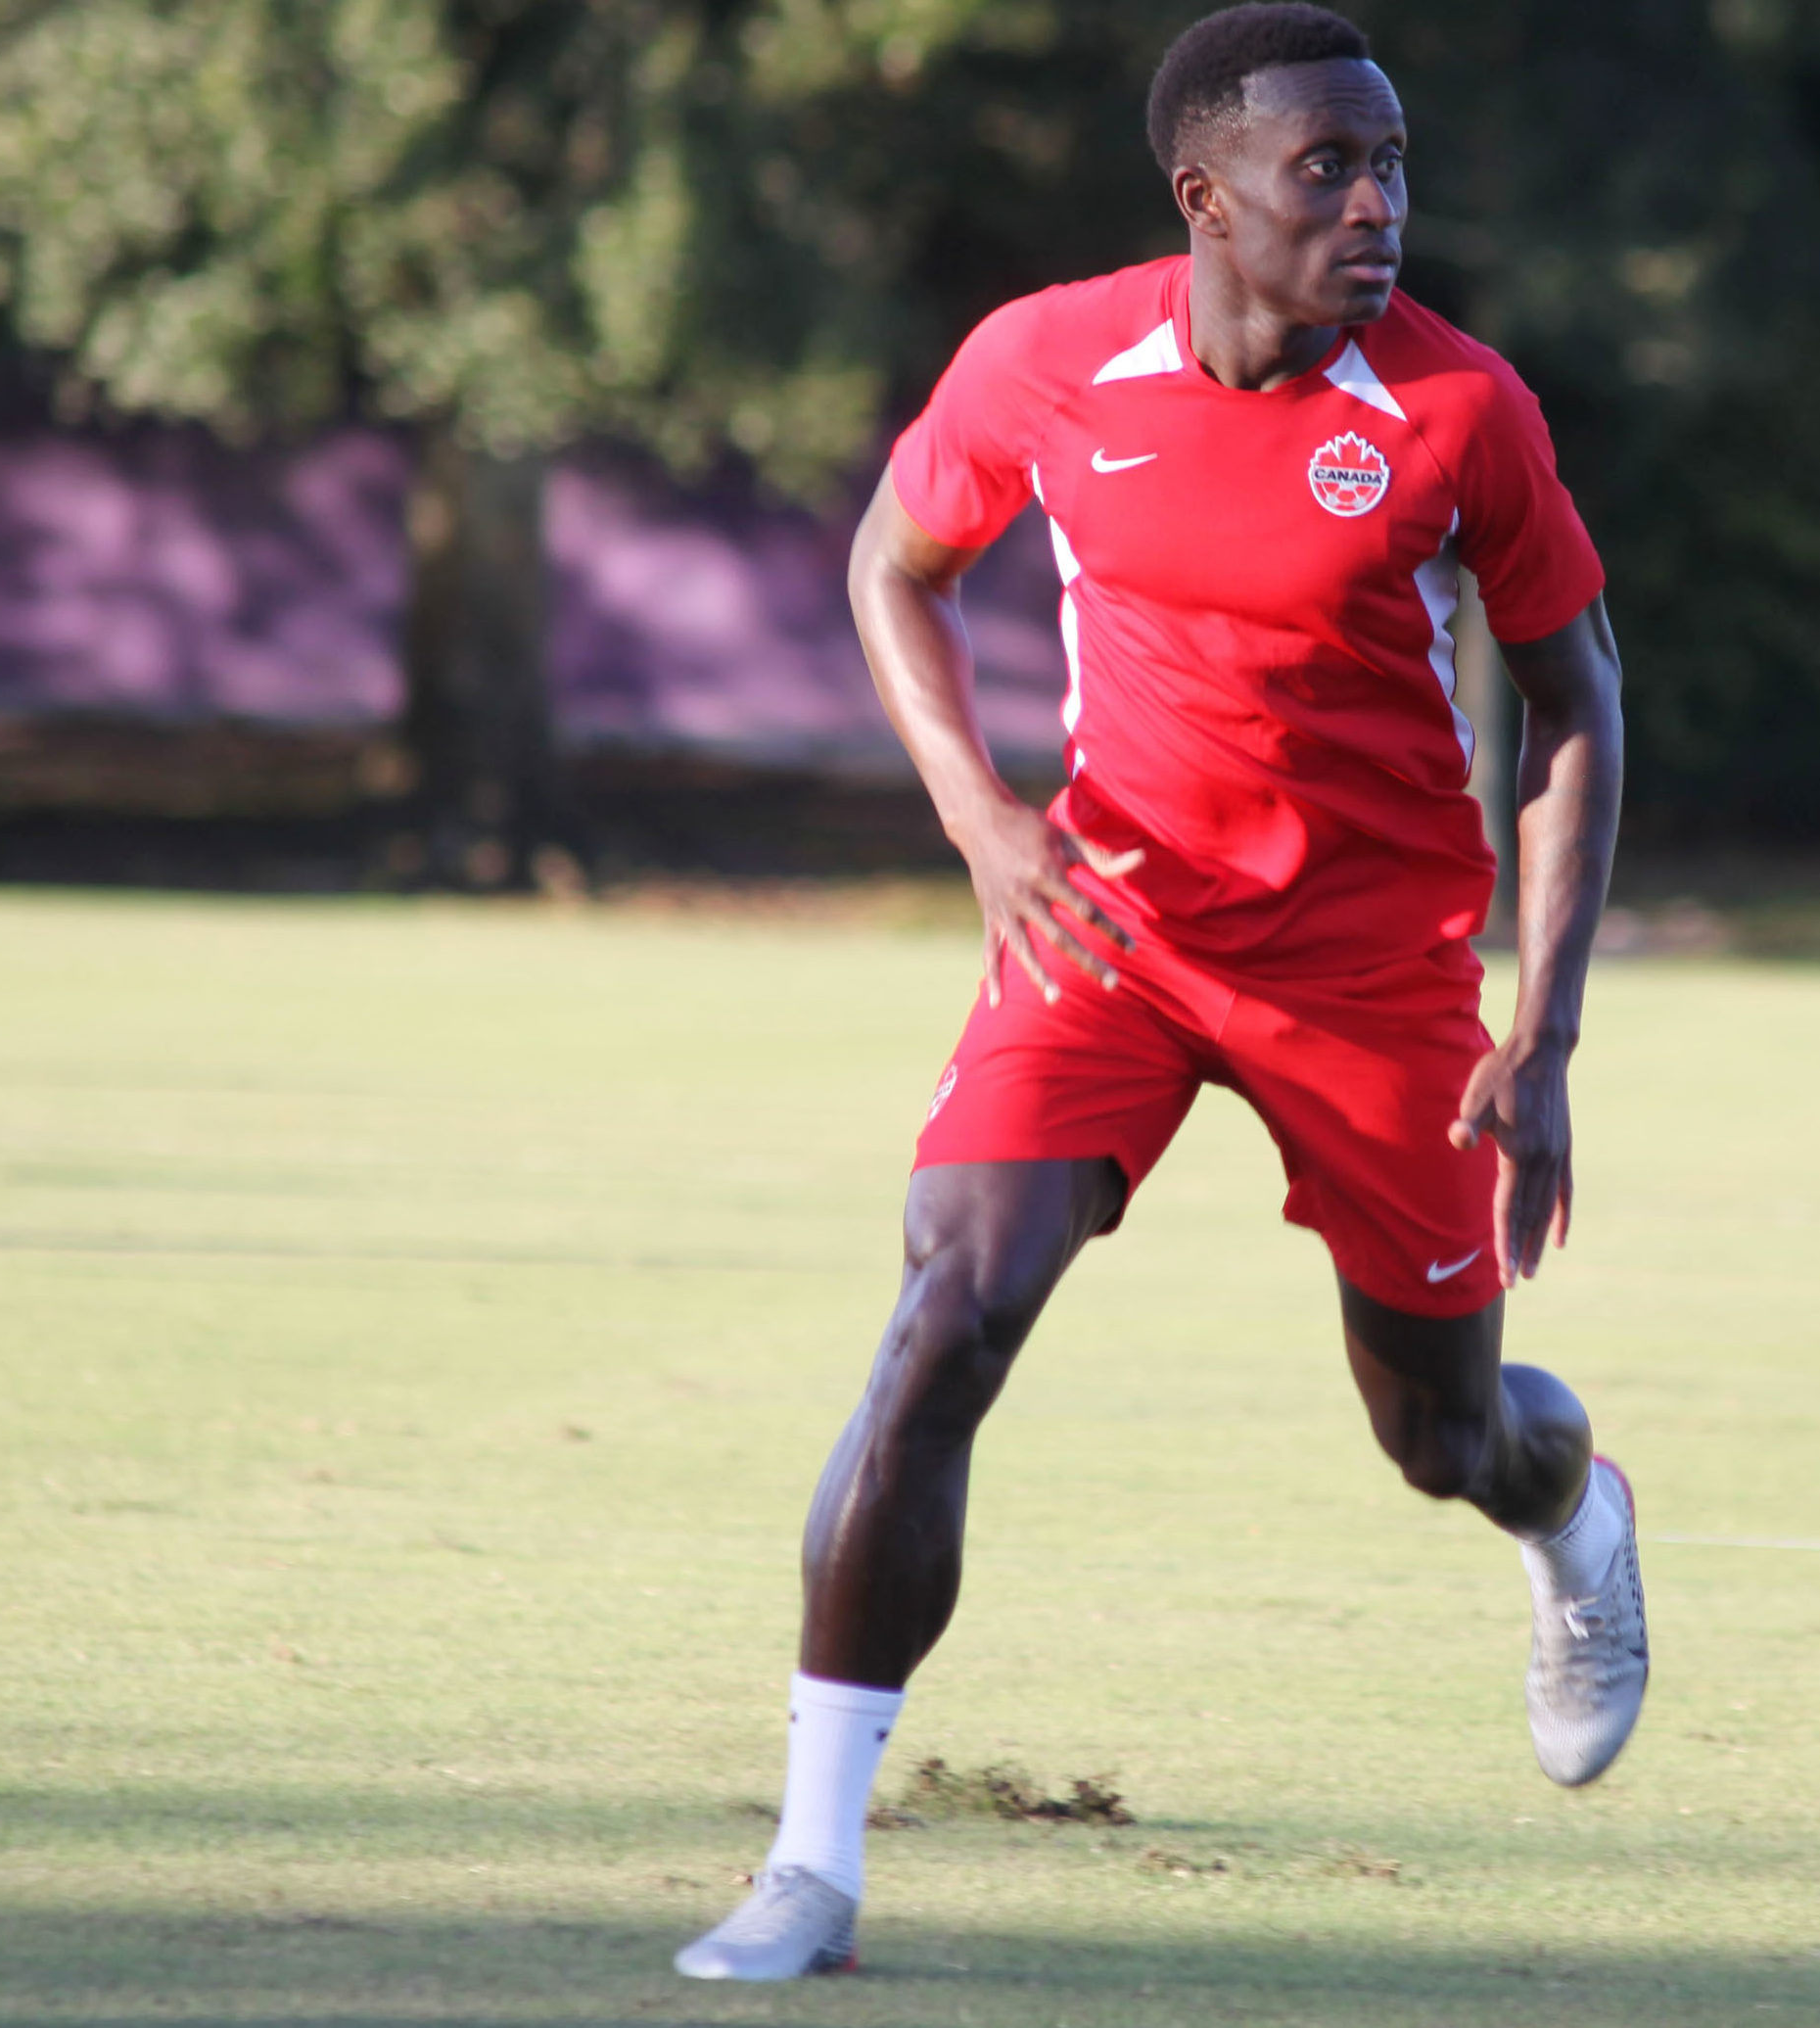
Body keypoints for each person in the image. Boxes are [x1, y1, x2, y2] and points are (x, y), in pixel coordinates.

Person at [676, 1, 1646, 1984]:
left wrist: (1538, 1035)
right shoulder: (1045, 359)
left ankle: (1575, 1511)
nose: (1377, 203)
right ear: (1204, 196)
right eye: (1329, 170)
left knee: (1441, 1439)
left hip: (1375, 979)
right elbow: (893, 561)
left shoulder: (1462, 413)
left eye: (1391, 165)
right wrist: (980, 816)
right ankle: (812, 1866)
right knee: (946, 1315)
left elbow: (1575, 699)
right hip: (1108, 934)